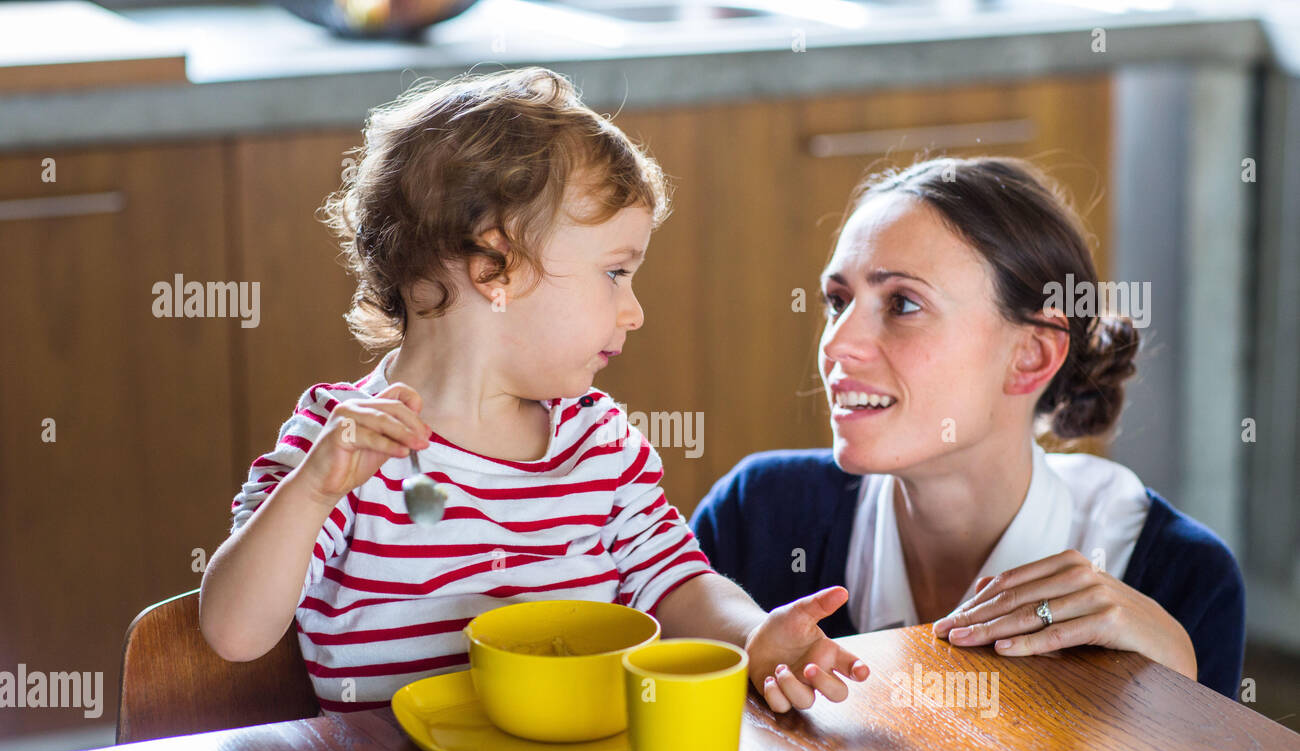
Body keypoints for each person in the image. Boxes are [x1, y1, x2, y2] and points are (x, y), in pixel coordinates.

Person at [197, 66, 867, 713]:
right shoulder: (342, 444)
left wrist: (752, 638)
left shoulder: (598, 440)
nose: (633, 311)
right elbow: (235, 633)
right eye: (615, 273)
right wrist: (312, 490)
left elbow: (680, 583)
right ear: (497, 267)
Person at [691, 156, 1245, 712]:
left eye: (902, 304)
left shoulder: (1178, 575)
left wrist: (1180, 703)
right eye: (838, 301)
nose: (836, 344)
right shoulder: (754, 516)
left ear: (1031, 354)